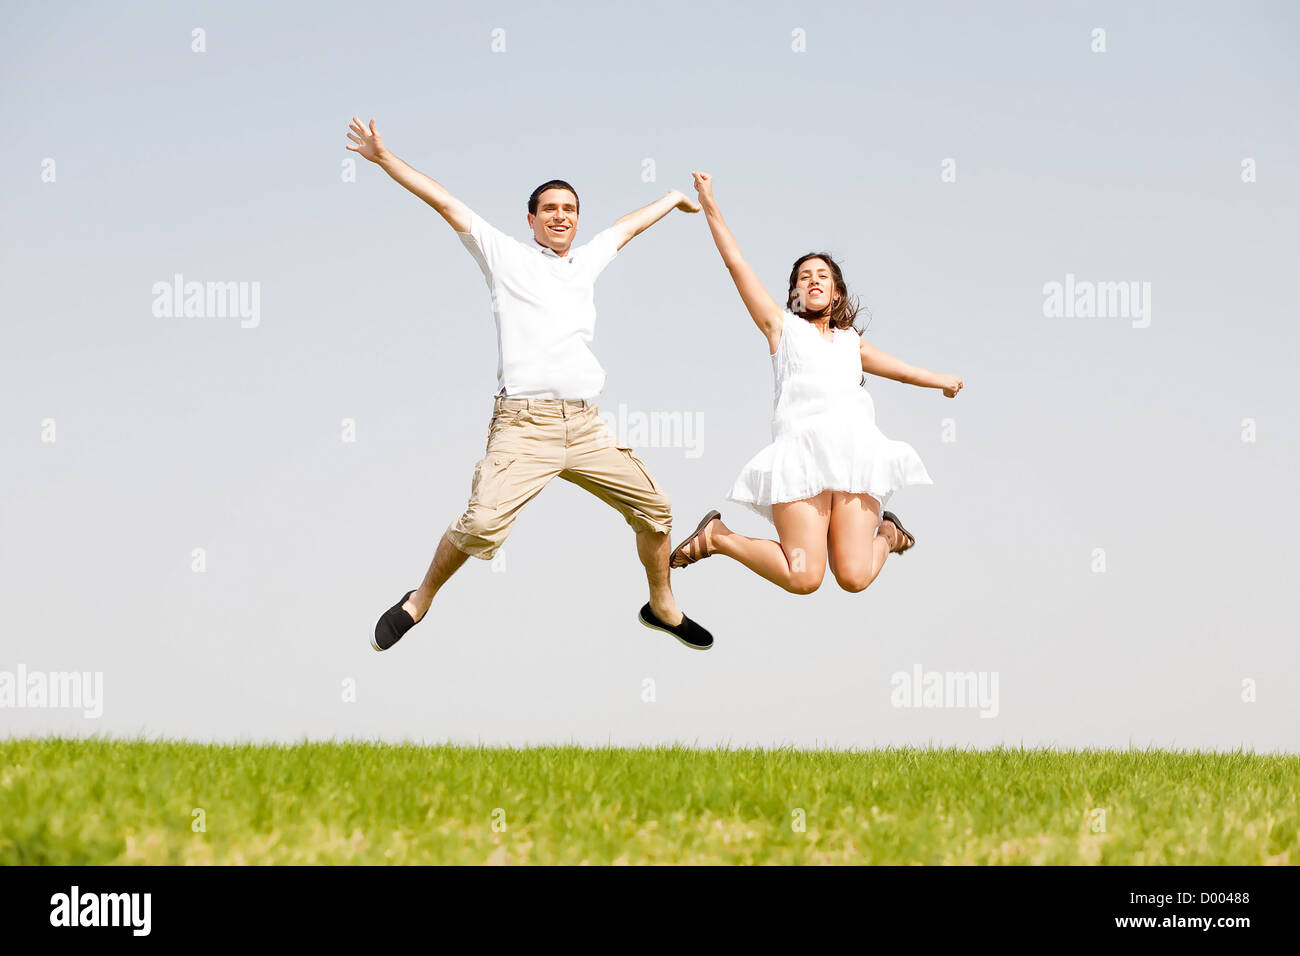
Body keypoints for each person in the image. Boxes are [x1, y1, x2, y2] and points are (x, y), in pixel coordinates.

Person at [345, 118, 713, 651]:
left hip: (585, 425)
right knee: (480, 524)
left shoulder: (586, 261)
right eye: (550, 208)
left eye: (569, 209)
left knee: (657, 512)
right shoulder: (505, 256)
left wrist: (674, 197)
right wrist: (384, 158)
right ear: (532, 219)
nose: (560, 215)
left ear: (577, 220)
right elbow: (444, 201)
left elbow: (628, 227)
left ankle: (662, 605)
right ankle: (419, 599)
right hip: (524, 424)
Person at [669, 171, 963, 595]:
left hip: (856, 456)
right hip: (801, 457)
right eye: (804, 276)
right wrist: (710, 204)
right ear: (794, 294)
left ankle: (890, 535)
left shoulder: (851, 343)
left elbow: (899, 370)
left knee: (854, 577)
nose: (813, 280)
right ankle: (718, 537)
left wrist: (942, 382)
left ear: (837, 292)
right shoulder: (780, 328)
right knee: (804, 577)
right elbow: (737, 265)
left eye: (822, 275)